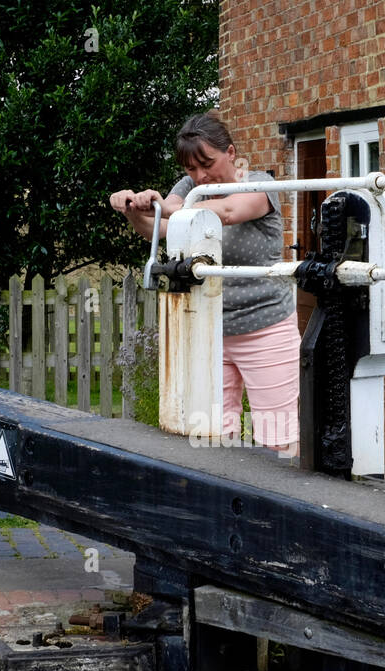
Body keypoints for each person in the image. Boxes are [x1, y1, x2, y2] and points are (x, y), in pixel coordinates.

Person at [109, 113, 300, 458]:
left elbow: (225, 211)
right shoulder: (190, 190)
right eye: (190, 170)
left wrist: (164, 207)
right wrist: (133, 209)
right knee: (211, 438)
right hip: (208, 329)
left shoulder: (259, 186)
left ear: (230, 152)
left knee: (279, 441)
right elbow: (162, 230)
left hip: (264, 329)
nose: (200, 176)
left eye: (206, 164)